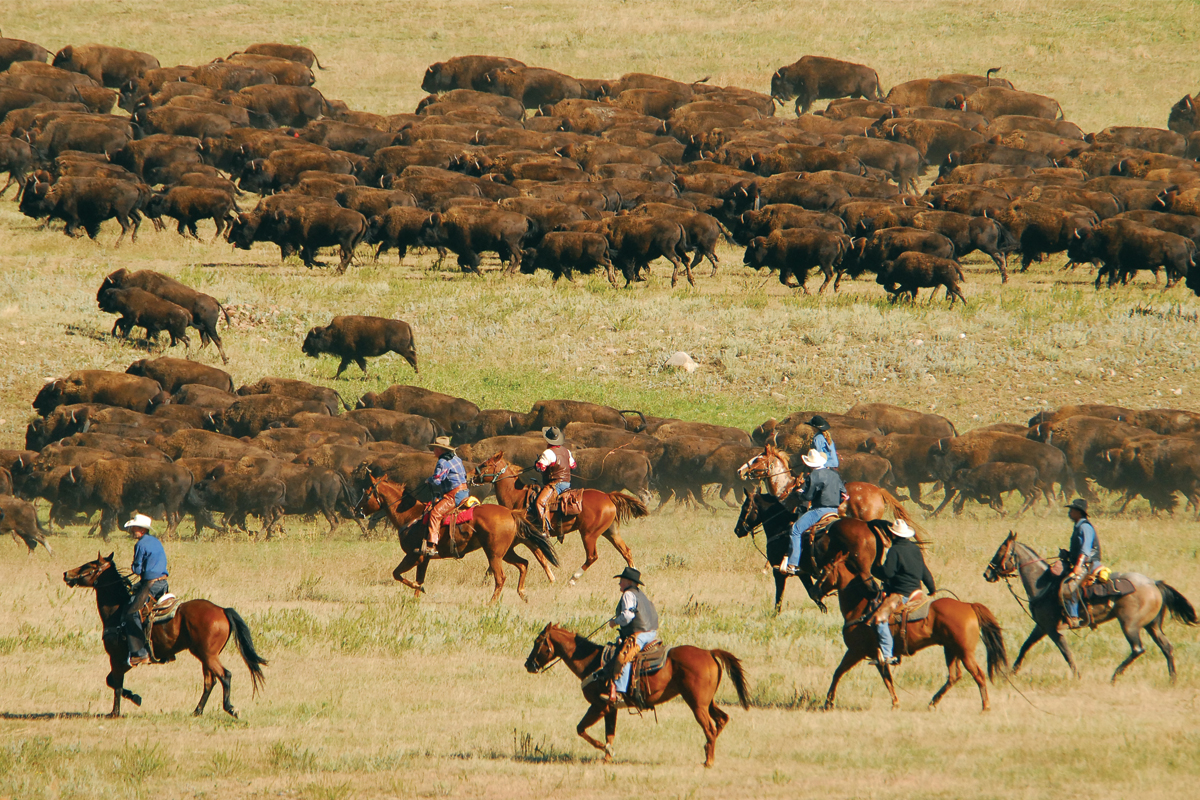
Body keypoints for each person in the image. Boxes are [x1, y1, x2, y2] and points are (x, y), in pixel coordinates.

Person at [869, 520, 935, 666]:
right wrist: (932, 588)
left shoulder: (895, 550)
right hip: (917, 592)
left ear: (893, 535)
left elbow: (888, 573)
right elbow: (924, 572)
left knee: (880, 618)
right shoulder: (915, 549)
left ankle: (887, 655)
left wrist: (874, 569)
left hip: (901, 594)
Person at [780, 448, 846, 575]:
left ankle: (792, 564)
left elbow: (808, 497)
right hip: (834, 510)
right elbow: (844, 493)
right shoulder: (834, 474)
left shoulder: (814, 475)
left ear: (809, 465)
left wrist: (800, 494)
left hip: (819, 510)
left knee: (795, 530)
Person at [121, 514, 169, 668]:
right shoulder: (156, 541)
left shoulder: (141, 545)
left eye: (134, 528)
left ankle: (140, 653)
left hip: (151, 585)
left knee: (131, 611)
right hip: (163, 584)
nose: (131, 530)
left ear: (141, 530)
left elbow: (136, 568)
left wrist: (136, 568)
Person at [607, 566, 659, 704]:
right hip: (651, 632)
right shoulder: (639, 594)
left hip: (640, 634)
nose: (619, 583)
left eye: (621, 580)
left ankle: (619, 693)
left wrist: (615, 622)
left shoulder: (628, 594)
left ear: (629, 582)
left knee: (624, 656)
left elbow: (628, 617)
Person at [424, 436, 468, 557]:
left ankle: (432, 544)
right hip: (464, 492)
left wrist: (429, 480)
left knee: (435, 513)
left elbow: (438, 480)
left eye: (435, 448)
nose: (433, 451)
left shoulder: (442, 462)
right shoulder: (456, 458)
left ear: (440, 449)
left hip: (454, 495)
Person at [1061, 498, 1102, 629]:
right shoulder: (1078, 525)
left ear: (1079, 512)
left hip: (1088, 564)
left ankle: (1074, 618)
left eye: (1072, 510)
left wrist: (1078, 566)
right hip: (1083, 562)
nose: (1070, 513)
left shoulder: (1084, 527)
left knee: (1070, 587)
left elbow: (1085, 549)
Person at [533, 426, 576, 538]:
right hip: (567, 484)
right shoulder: (567, 451)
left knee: (540, 503)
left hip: (555, 485)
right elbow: (573, 465)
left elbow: (541, 468)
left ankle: (544, 530)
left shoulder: (547, 453)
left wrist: (537, 464)